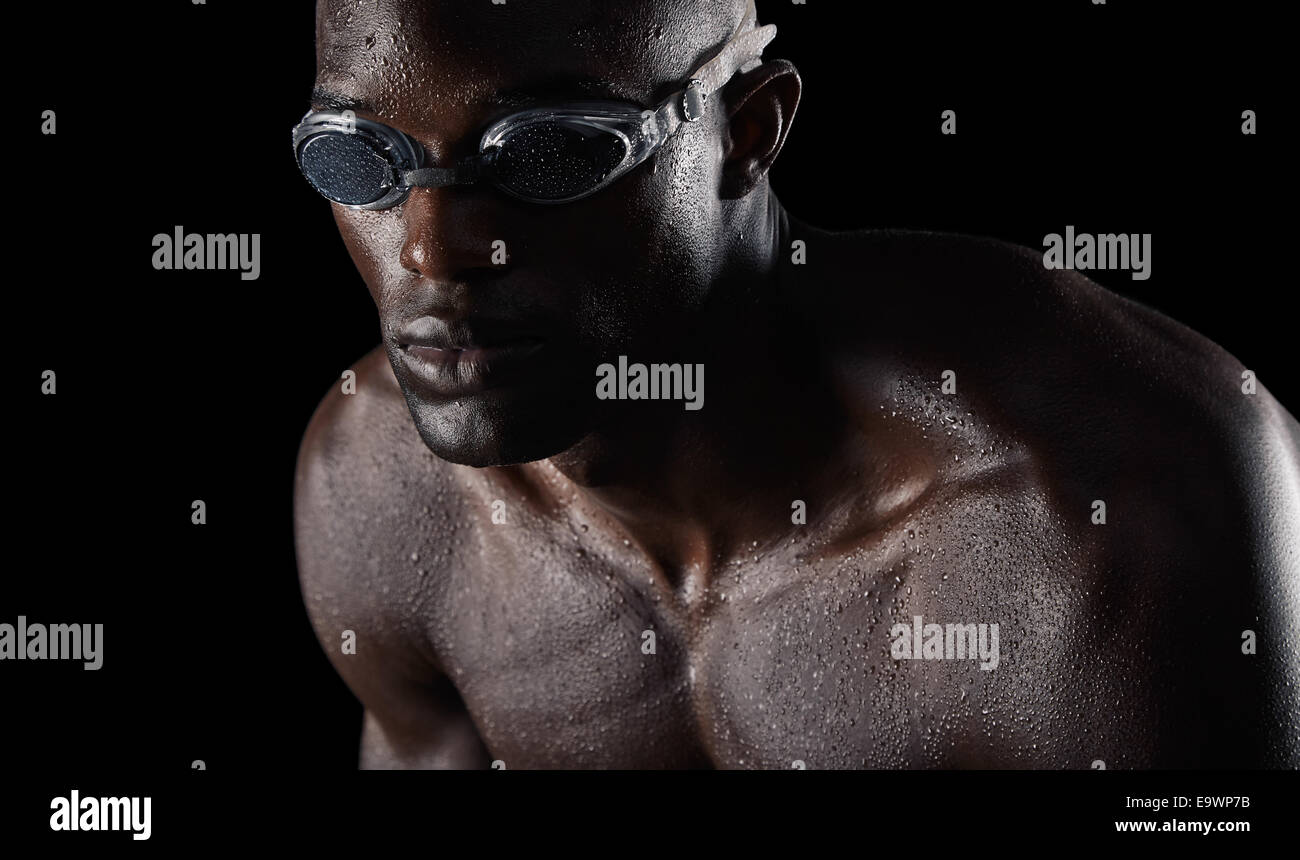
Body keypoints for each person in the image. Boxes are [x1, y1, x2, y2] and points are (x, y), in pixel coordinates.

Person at [291, 0, 1300, 768]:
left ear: (746, 129)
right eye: (355, 159)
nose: (433, 251)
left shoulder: (1098, 513)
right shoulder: (381, 488)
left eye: (549, 155)